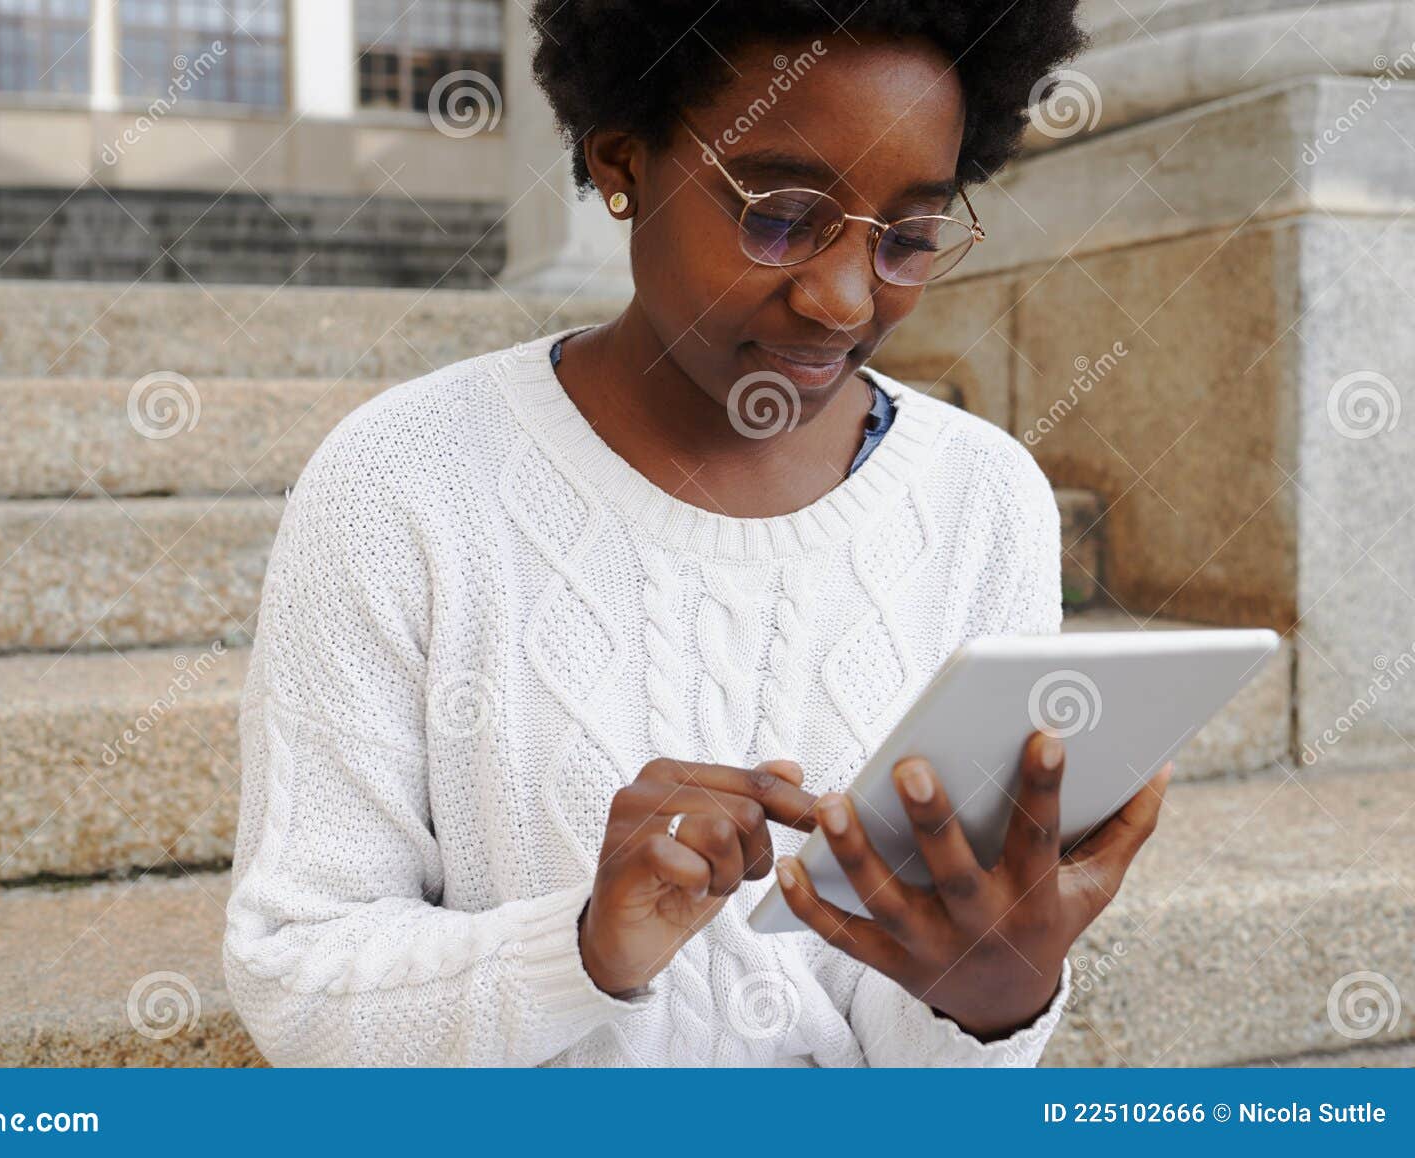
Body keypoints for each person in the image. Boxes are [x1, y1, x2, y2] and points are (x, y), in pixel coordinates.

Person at [224, 0, 1170, 1067]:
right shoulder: (402, 479)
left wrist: (989, 996)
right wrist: (583, 947)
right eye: (778, 215)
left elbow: (928, 1057)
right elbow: (297, 980)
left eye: (908, 237)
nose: (843, 297)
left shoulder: (981, 497)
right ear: (622, 162)